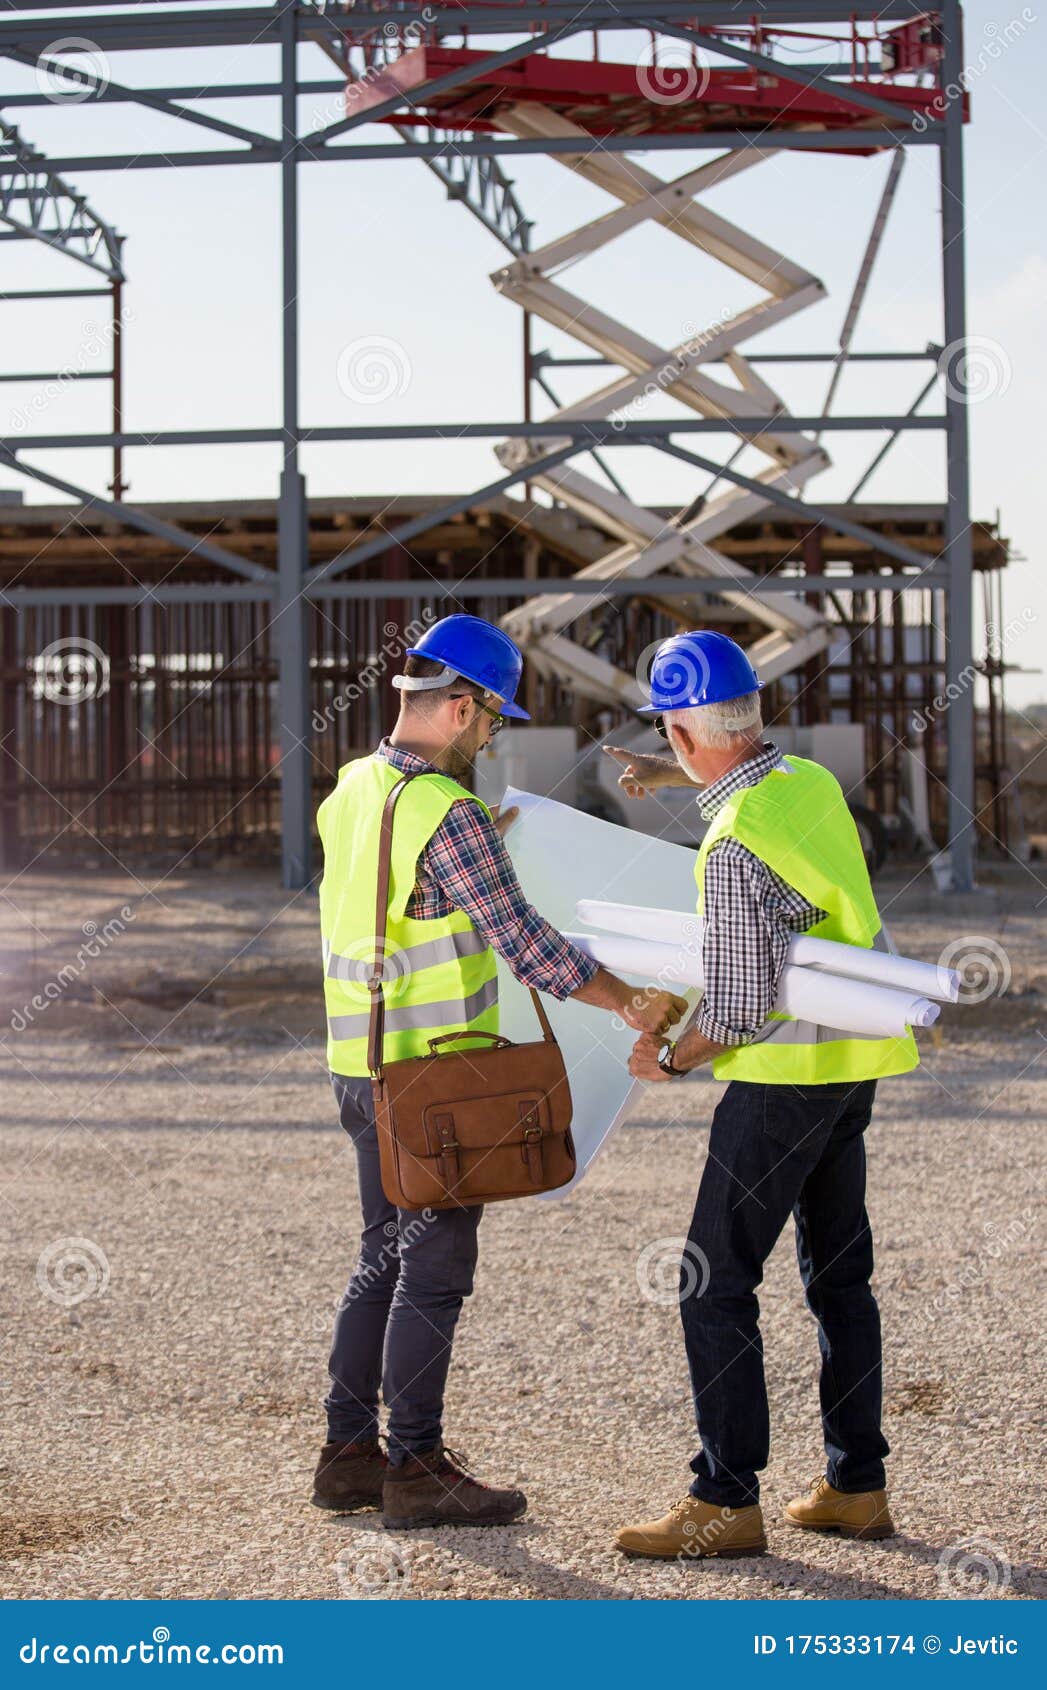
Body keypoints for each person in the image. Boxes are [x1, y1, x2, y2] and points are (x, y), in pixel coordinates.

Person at [312, 613, 686, 1530]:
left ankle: (347, 1455)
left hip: (359, 1066)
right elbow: (526, 944)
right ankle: (416, 1468)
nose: (490, 737)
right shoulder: (447, 813)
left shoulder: (355, 789)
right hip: (434, 1079)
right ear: (461, 706)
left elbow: (399, 888)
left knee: (380, 1257)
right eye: (490, 720)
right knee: (434, 1268)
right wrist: (627, 1000)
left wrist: (482, 841)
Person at [604, 629, 918, 1561]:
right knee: (839, 1281)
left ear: (678, 728)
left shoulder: (732, 843)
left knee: (711, 1280)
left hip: (780, 1083)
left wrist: (672, 1060)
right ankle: (856, 1487)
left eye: (668, 735)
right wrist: (669, 774)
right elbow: (744, 778)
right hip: (849, 1069)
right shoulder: (805, 785)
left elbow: (740, 1008)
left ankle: (724, 1499)